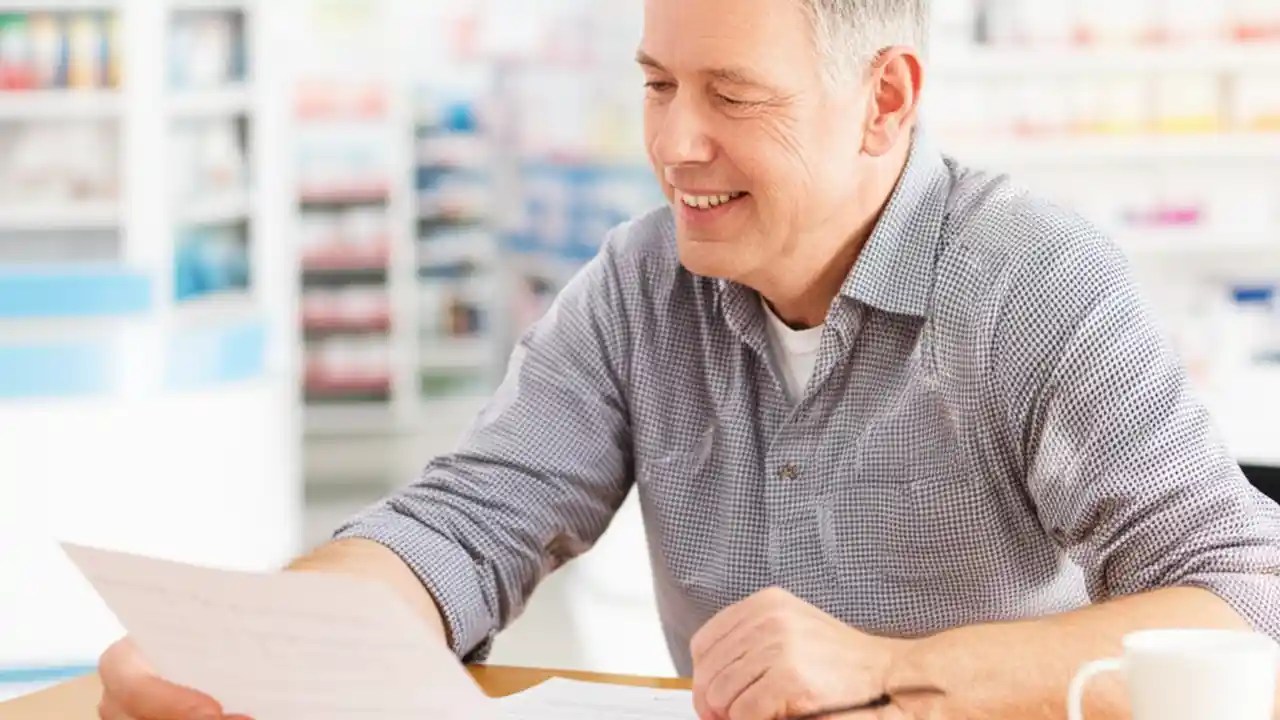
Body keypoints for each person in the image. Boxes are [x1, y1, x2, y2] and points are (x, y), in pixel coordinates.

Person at [97, 0, 1280, 719]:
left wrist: (894, 675)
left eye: (731, 95)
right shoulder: (638, 283)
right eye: (657, 85)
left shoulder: (1031, 281)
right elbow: (464, 524)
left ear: (883, 100)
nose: (672, 143)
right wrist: (262, 642)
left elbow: (1243, 607)